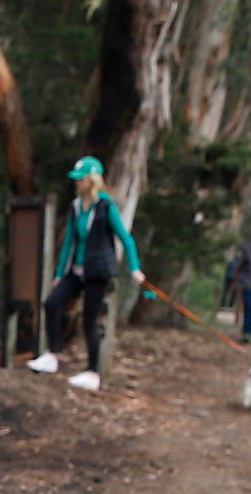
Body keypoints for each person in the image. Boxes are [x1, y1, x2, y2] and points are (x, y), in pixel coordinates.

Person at [26, 156, 146, 392]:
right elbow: (69, 240)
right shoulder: (75, 206)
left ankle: (93, 372)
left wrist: (134, 268)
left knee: (89, 320)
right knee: (51, 304)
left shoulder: (105, 207)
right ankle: (51, 356)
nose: (76, 183)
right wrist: (60, 273)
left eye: (80, 179)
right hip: (76, 270)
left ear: (91, 180)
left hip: (98, 272)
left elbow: (125, 238)